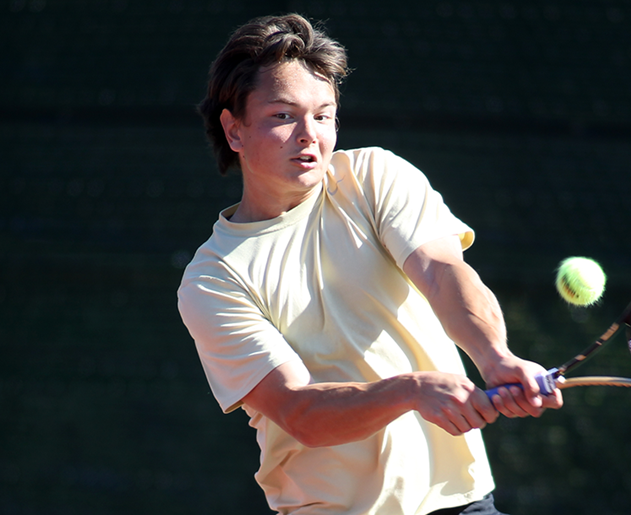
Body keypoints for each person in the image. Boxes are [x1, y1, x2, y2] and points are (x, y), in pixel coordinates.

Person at [177, 13, 563, 515]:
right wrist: (410, 391)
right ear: (234, 130)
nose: (308, 135)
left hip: (463, 501)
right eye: (283, 116)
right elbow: (299, 410)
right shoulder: (212, 280)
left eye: (323, 115)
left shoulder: (375, 177)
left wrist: (495, 358)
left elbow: (442, 272)